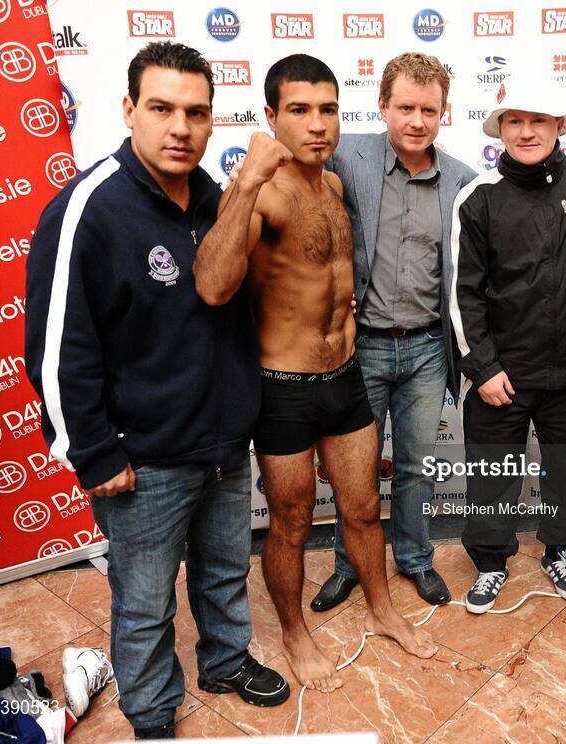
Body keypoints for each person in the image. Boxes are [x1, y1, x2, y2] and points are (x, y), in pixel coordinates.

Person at [24, 42, 288, 741]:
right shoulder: (88, 207)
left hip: (224, 444)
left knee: (226, 572)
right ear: (129, 110)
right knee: (143, 603)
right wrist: (95, 453)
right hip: (142, 458)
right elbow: (57, 350)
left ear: (211, 121)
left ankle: (226, 661)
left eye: (196, 113)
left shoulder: (212, 199)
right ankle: (149, 711)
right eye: (162, 109)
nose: (180, 127)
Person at [193, 53, 438, 694]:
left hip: (345, 377)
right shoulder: (260, 192)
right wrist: (244, 182)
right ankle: (295, 633)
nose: (317, 123)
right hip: (283, 389)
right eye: (299, 110)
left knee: (361, 507)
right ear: (270, 116)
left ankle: (384, 610)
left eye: (327, 108)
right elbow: (214, 287)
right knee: (293, 522)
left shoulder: (332, 186)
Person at [311, 52, 476, 612]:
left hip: (430, 349)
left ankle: (415, 559)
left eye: (429, 109)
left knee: (416, 466)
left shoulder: (462, 182)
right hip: (363, 348)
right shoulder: (346, 157)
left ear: (443, 113)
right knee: (352, 472)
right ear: (382, 105)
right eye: (405, 106)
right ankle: (348, 565)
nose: (416, 120)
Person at [450, 82, 566, 614]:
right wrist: (484, 368)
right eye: (514, 120)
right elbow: (462, 294)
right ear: (500, 129)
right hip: (502, 378)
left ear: (559, 125)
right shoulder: (479, 198)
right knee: (492, 477)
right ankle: (491, 562)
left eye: (538, 120)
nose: (526, 131)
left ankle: (560, 551)